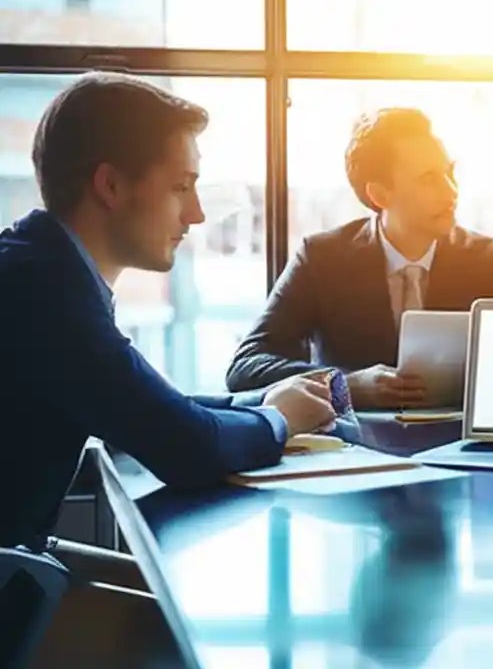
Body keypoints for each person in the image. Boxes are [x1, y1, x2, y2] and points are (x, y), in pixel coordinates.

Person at [0, 72, 335, 666]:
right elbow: (185, 448)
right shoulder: (43, 291)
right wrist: (278, 422)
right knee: (183, 641)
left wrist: (259, 405)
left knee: (166, 610)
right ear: (110, 185)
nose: (199, 213)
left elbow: (148, 404)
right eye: (182, 187)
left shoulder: (39, 268)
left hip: (20, 563)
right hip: (12, 581)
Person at [225, 107, 493, 409]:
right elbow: (246, 367)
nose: (452, 192)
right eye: (429, 179)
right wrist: (345, 385)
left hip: (457, 445)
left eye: (450, 172)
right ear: (380, 195)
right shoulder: (321, 259)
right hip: (352, 447)